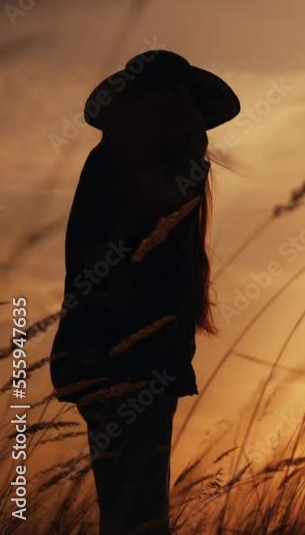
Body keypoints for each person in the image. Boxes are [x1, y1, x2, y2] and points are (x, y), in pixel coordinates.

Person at [50, 50, 239, 535]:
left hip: (128, 359)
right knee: (137, 515)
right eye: (182, 104)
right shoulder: (136, 169)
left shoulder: (142, 166)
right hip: (129, 360)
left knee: (132, 513)